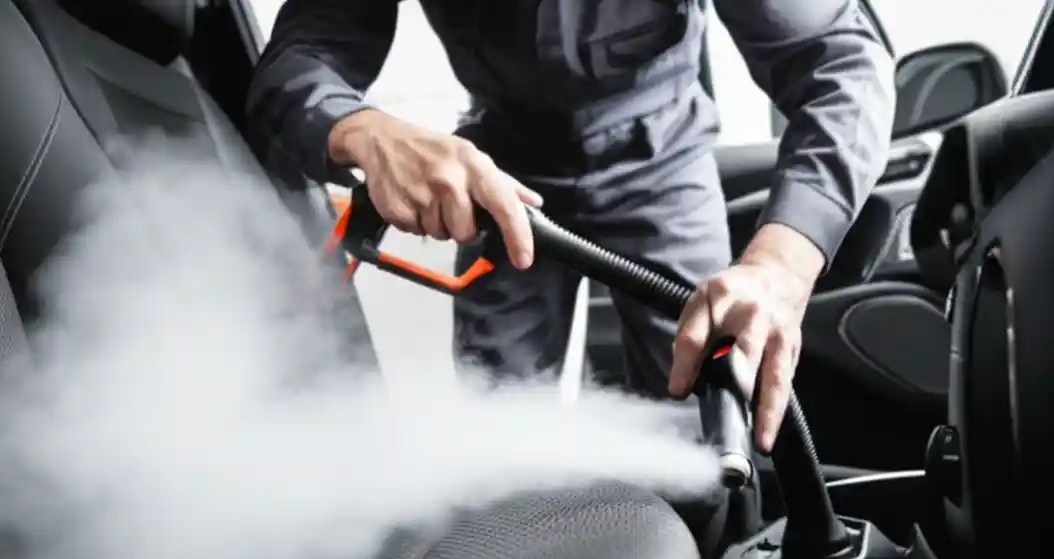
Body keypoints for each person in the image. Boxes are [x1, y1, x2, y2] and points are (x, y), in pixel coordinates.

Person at [245, 0, 895, 455]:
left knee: (709, 422)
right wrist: (364, 131)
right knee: (493, 432)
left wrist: (778, 269)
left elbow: (840, 63)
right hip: (506, 181)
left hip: (665, 163)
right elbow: (294, 64)